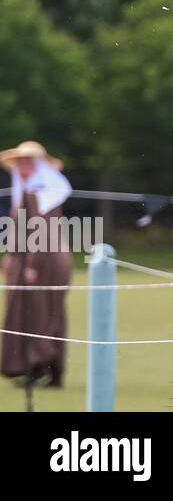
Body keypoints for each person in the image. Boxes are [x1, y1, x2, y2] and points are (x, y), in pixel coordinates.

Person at [1, 140, 73, 387]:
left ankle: (40, 367)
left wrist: (32, 264)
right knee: (44, 315)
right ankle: (45, 370)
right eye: (19, 161)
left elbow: (42, 233)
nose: (22, 166)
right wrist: (11, 257)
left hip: (43, 262)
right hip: (37, 259)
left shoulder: (40, 192)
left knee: (40, 316)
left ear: (39, 165)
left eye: (28, 161)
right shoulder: (32, 190)